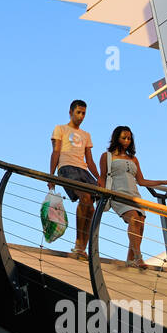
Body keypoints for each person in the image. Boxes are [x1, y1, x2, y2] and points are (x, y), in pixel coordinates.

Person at [99, 127, 167, 268]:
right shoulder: (107, 156)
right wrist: (100, 196)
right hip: (118, 193)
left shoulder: (133, 159)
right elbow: (102, 177)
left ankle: (131, 259)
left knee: (139, 224)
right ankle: (139, 258)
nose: (126, 141)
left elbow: (141, 181)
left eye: (129, 138)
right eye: (123, 138)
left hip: (135, 195)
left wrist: (162, 182)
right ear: (116, 138)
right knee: (133, 219)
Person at [50, 100, 99, 260]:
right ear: (70, 112)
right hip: (66, 167)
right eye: (78, 112)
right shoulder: (60, 129)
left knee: (91, 207)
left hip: (83, 170)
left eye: (84, 113)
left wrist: (99, 178)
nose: (81, 116)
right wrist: (51, 176)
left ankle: (82, 248)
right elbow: (56, 151)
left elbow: (90, 160)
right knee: (84, 197)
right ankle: (79, 243)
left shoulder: (86, 135)